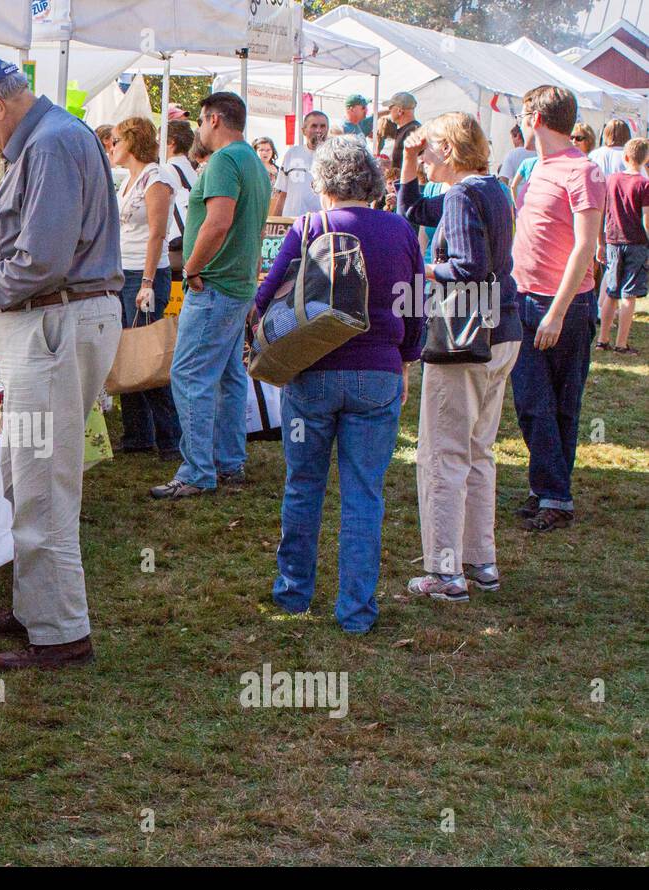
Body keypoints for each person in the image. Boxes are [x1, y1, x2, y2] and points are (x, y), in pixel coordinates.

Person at [0, 55, 123, 672]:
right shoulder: (57, 137)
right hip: (57, 321)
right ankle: (38, 606)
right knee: (29, 474)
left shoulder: (47, 145)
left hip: (52, 321)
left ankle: (60, 634)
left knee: (41, 481)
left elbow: (40, 261)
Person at [257, 136, 423, 633]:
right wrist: (407, 361)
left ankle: (292, 593)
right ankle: (355, 611)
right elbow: (414, 306)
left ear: (323, 182)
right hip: (378, 374)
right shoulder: (400, 230)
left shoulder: (309, 226)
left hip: (312, 372)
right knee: (363, 493)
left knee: (303, 485)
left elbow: (266, 299)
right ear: (371, 180)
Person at [397, 113, 523, 601]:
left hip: (466, 339)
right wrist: (407, 161)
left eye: (427, 151)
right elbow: (411, 209)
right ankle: (480, 560)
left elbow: (469, 266)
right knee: (477, 451)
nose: (424, 161)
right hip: (501, 329)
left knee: (442, 454)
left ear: (448, 150)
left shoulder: (460, 195)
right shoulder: (491, 189)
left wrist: (423, 268)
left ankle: (446, 573)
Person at [149, 92, 270, 501]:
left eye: (201, 121)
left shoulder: (224, 161)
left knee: (189, 376)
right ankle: (227, 460)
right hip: (237, 285)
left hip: (215, 285)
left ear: (214, 119)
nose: (199, 129)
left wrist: (192, 268)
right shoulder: (253, 161)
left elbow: (217, 224)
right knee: (229, 377)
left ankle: (198, 471)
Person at [509, 85, 606, 533]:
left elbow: (586, 245)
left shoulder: (582, 171)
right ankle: (550, 489)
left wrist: (558, 311)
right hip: (524, 298)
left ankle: (552, 495)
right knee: (532, 403)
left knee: (562, 404)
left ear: (536, 120)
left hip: (563, 305)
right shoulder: (537, 168)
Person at [109, 116, 181, 459]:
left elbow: (157, 232)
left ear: (132, 142)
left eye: (116, 141)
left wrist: (149, 281)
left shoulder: (157, 178)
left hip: (145, 274)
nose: (112, 147)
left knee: (149, 354)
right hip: (125, 271)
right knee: (127, 351)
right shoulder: (128, 180)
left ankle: (170, 437)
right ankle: (138, 433)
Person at [597, 136, 649, 355]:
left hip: (613, 240)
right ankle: (621, 343)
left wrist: (599, 241)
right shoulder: (644, 184)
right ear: (646, 160)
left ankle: (603, 339)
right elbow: (646, 219)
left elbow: (601, 211)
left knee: (611, 290)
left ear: (625, 157)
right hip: (636, 241)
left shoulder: (612, 180)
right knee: (629, 294)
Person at [271, 110, 328, 217]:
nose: (319, 130)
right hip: (292, 220)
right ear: (304, 130)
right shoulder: (292, 153)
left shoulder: (332, 156)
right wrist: (275, 221)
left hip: (321, 222)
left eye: (323, 126)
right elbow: (283, 193)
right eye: (314, 126)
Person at [166, 120, 197, 273]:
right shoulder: (189, 168)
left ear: (171, 142)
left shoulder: (168, 169)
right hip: (190, 240)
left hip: (176, 245)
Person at [378, 92, 420, 160]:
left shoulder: (412, 130)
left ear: (399, 111)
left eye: (390, 107)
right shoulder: (407, 129)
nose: (389, 110)